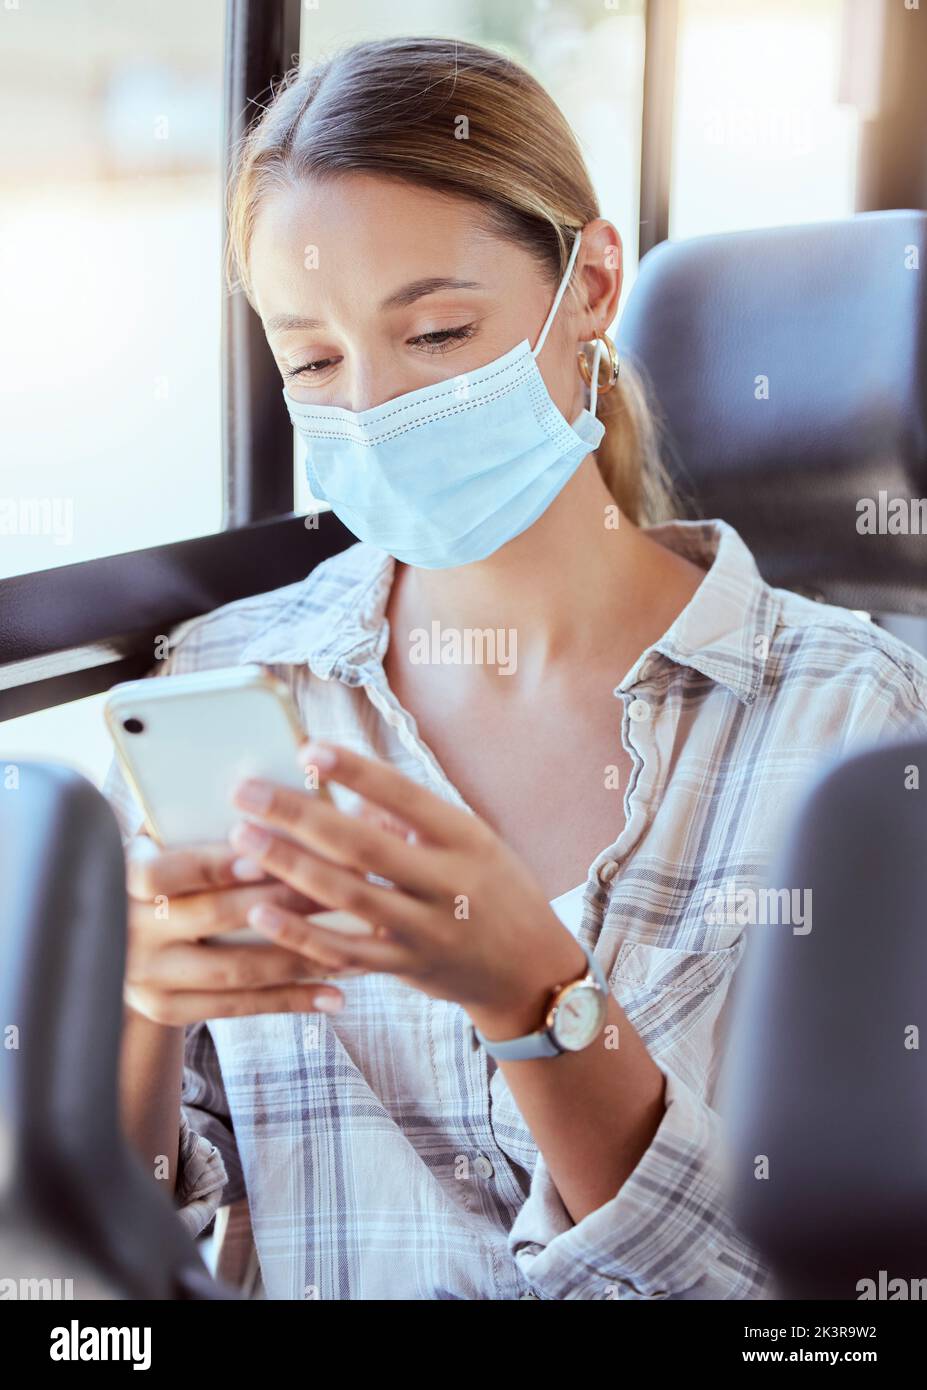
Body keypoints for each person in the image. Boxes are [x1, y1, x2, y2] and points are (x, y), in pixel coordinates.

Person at [108, 36, 927, 1300]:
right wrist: (138, 1011)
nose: (371, 407)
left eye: (436, 332)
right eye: (313, 360)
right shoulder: (228, 683)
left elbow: (828, 1307)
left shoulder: (852, 720)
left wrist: (543, 1002)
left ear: (590, 285)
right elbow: (110, 1246)